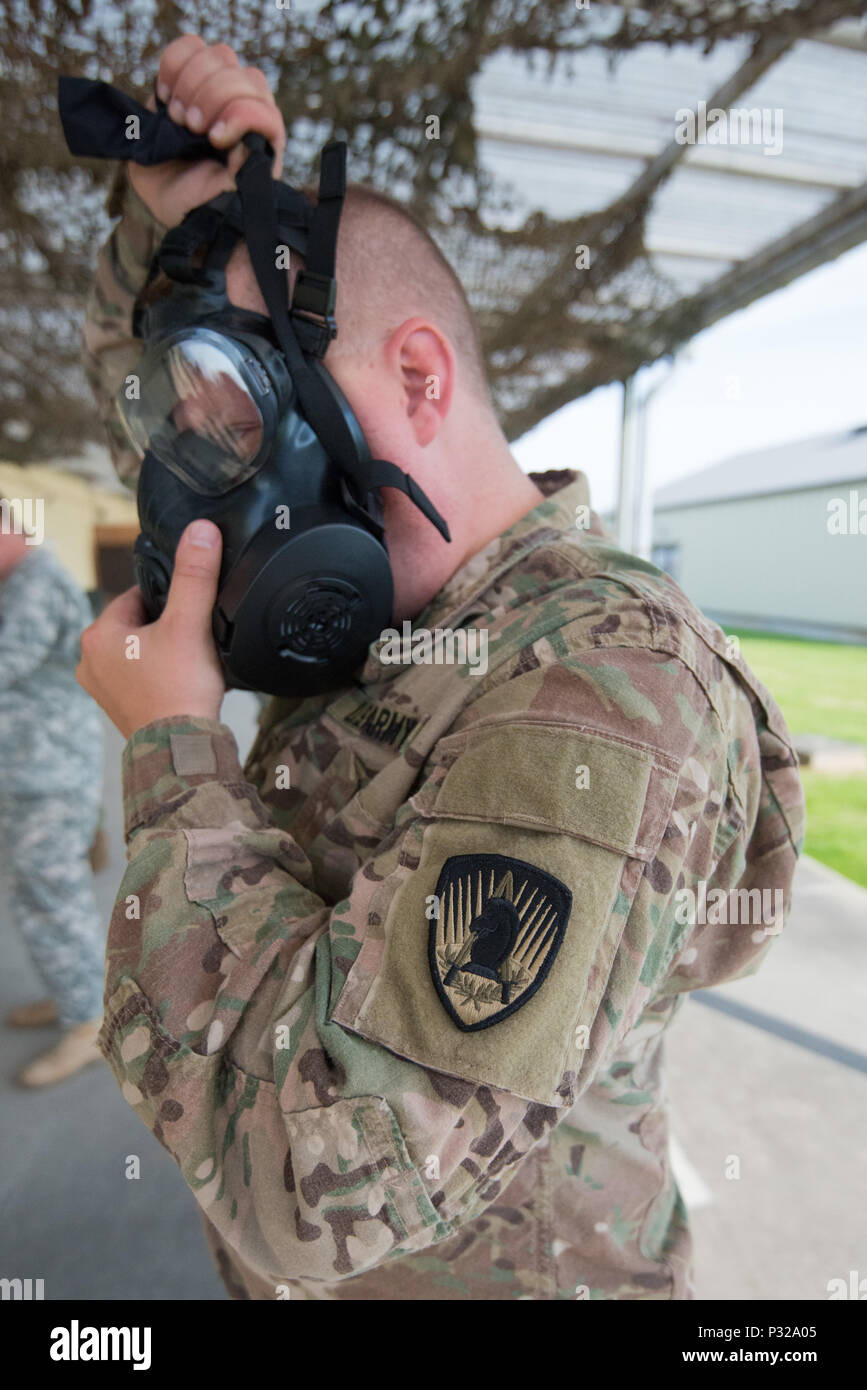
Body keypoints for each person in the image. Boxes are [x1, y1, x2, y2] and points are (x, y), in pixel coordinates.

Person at [76, 35, 805, 1300]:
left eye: (242, 420)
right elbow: (152, 416)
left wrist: (173, 750)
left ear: (417, 375)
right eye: (197, 434)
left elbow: (309, 1183)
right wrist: (176, 218)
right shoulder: (379, 608)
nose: (210, 487)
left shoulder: (610, 690)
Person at [0, 515, 105, 1085]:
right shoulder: (22, 581)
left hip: (48, 772)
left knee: (50, 894)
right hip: (31, 769)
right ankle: (75, 992)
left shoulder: (35, 582)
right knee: (42, 890)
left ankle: (89, 1021)